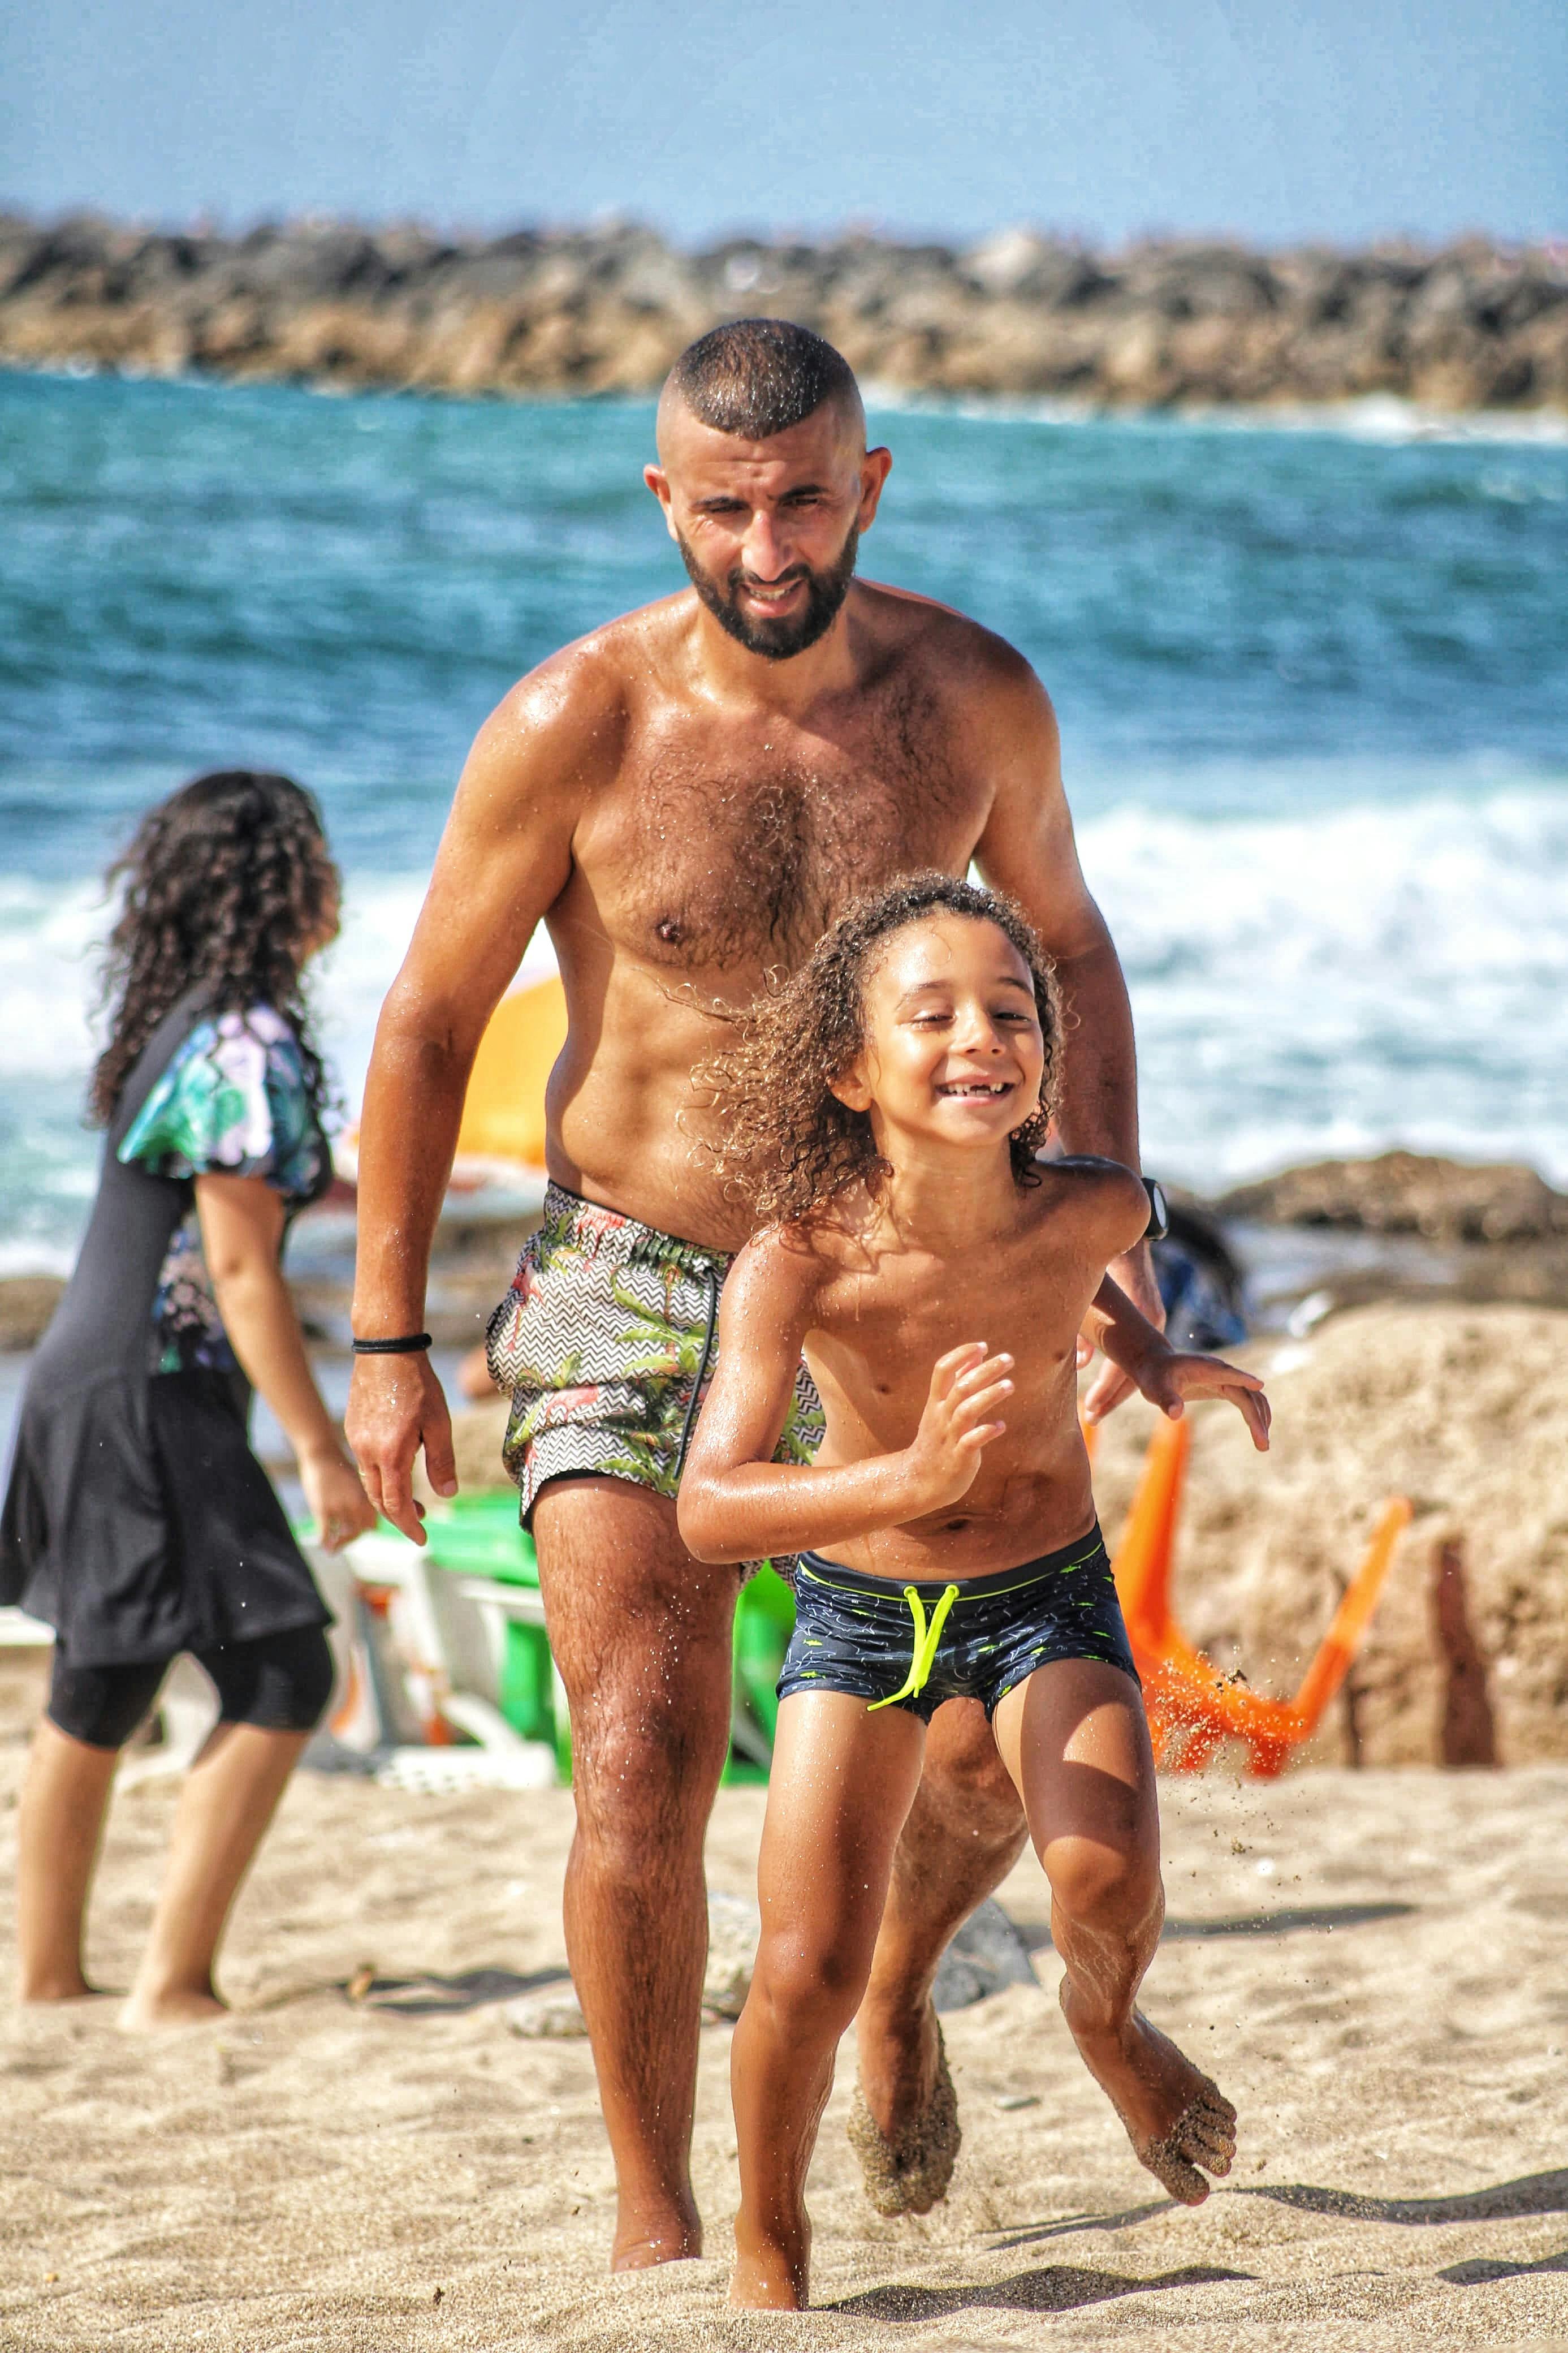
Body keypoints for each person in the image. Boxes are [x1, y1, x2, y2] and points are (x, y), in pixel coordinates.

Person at [346, 318, 1168, 2266]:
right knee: (636, 1737)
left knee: (967, 1752)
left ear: (868, 483)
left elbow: (1072, 955)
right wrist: (383, 1339)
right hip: (634, 1274)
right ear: (666, 500)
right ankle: (656, 2221)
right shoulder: (576, 723)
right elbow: (427, 1018)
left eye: (806, 497)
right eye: (727, 506)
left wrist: (1103, 1254)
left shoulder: (973, 698)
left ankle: (889, 1990)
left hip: (910, 1272)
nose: (770, 544)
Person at [675, 874, 1269, 2309]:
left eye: (1010, 1011)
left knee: (1107, 1878)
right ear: (848, 1068)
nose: (976, 1036)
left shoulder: (1098, 1205)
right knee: (806, 1969)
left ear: (1043, 1061)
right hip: (859, 1617)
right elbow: (709, 1505)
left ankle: (1108, 2028)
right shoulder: (798, 1258)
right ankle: (771, 2240)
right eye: (928, 1013)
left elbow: (1084, 1279)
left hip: (1044, 1597)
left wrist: (1155, 1353)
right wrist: (910, 1474)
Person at [1, 770, 374, 2029]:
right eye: (314, 860)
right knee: (283, 1671)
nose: (329, 883)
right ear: (279, 887)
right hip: (157, 1389)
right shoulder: (247, 1035)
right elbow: (233, 1265)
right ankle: (171, 1984)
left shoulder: (178, 1021)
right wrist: (321, 1447)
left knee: (100, 1679)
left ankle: (49, 1982)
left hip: (77, 1376)